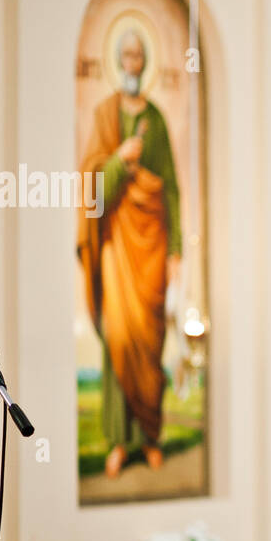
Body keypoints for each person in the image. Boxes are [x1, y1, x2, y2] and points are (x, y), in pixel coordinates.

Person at [76, 30, 182, 478]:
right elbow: (91, 183)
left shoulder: (156, 119)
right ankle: (120, 440)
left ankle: (151, 436)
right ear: (118, 61)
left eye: (140, 54)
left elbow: (171, 188)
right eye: (127, 55)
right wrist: (119, 159)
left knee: (150, 338)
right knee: (119, 339)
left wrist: (176, 249)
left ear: (147, 60)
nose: (134, 62)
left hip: (151, 247)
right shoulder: (105, 114)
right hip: (117, 245)